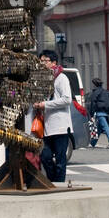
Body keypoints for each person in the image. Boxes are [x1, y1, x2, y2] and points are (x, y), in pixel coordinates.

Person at [33, 50, 73, 184]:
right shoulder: (42, 79)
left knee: (61, 159)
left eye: (45, 61)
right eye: (41, 61)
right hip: (46, 126)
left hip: (60, 125)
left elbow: (67, 99)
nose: (42, 64)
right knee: (45, 156)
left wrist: (45, 104)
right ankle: (52, 180)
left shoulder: (61, 78)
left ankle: (59, 183)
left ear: (54, 63)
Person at [87, 77, 109, 149]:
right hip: (106, 112)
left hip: (100, 113)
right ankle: (93, 143)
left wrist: (91, 114)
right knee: (99, 128)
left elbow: (93, 104)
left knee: (106, 128)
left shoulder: (95, 92)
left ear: (95, 85)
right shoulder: (106, 92)